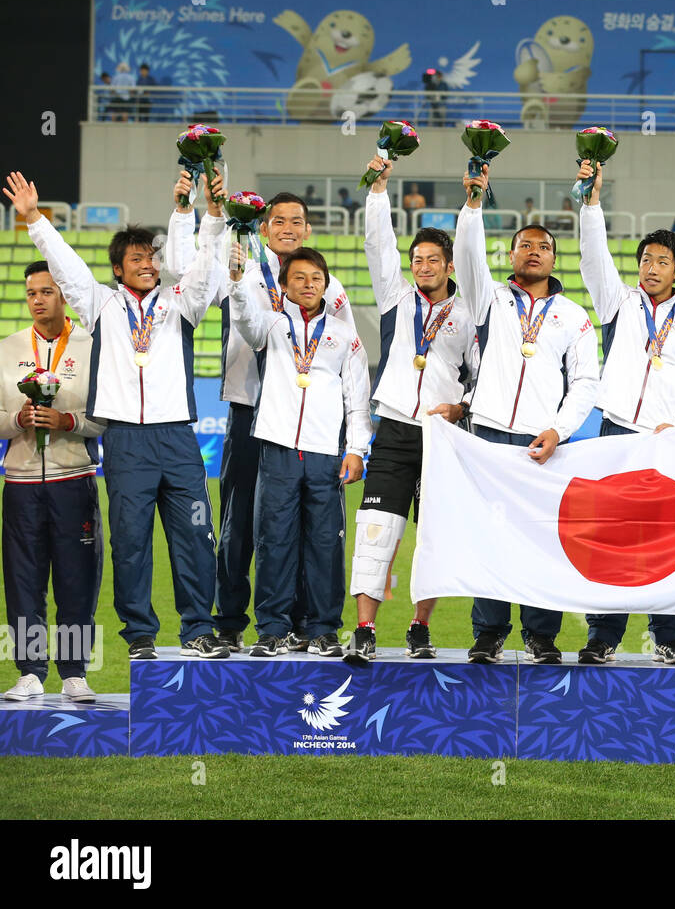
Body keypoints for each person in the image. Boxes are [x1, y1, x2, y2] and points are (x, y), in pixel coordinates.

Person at [5, 170, 229, 660]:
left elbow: (207, 271)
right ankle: (141, 634)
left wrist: (212, 215)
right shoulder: (100, 304)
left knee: (194, 536)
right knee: (131, 542)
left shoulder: (180, 303)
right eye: (137, 259)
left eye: (152, 258)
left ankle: (198, 629)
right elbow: (65, 268)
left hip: (177, 438)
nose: (148, 265)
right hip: (126, 441)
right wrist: (35, 219)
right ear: (119, 270)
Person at [165, 179, 353, 656]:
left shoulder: (325, 282)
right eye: (278, 221)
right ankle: (231, 619)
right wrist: (191, 212)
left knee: (308, 527)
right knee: (240, 523)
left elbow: (345, 354)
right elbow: (186, 280)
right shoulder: (242, 266)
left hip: (307, 421)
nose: (288, 229)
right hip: (250, 409)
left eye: (297, 222)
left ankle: (305, 622)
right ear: (264, 228)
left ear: (309, 228)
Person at [574, 158, 675, 666]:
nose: (651, 268)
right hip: (615, 432)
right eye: (646, 260)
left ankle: (666, 635)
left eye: (662, 261)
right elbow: (593, 260)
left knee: (662, 539)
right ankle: (604, 636)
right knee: (611, 537)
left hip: (665, 440)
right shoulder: (620, 304)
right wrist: (591, 204)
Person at [453, 164, 599, 665]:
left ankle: (541, 635)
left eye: (543, 246)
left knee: (541, 538)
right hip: (490, 434)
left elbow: (585, 383)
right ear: (511, 254)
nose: (534, 251)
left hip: (545, 442)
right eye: (525, 245)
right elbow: (466, 256)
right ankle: (489, 632)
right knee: (490, 535)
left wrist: (559, 430)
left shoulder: (574, 316)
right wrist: (473, 206)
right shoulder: (488, 298)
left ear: (554, 258)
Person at [343, 155, 478, 666]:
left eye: (432, 260)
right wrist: (378, 190)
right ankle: (365, 629)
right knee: (376, 532)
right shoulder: (396, 299)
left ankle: (420, 627)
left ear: (448, 266)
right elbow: (378, 246)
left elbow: (481, 377)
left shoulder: (468, 315)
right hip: (396, 429)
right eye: (417, 259)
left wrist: (461, 407)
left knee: (433, 539)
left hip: (443, 437)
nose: (422, 267)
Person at [229, 246, 369, 656]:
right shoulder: (270, 325)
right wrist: (237, 282)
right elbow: (245, 322)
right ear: (284, 284)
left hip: (326, 451)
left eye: (316, 279)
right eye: (300, 278)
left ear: (326, 284)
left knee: (326, 543)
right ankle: (272, 629)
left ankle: (323, 629)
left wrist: (357, 448)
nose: (309, 285)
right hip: (278, 447)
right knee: (274, 541)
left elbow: (356, 398)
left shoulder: (345, 334)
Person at [1, 262, 105, 701]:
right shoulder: (6, 348)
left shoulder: (92, 346)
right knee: (22, 578)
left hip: (74, 478)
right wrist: (15, 418)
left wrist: (68, 420)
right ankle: (29, 671)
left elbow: (106, 417)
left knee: (77, 578)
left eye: (47, 291)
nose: (39, 299)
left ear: (63, 294)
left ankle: (75, 672)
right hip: (21, 482)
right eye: (32, 293)